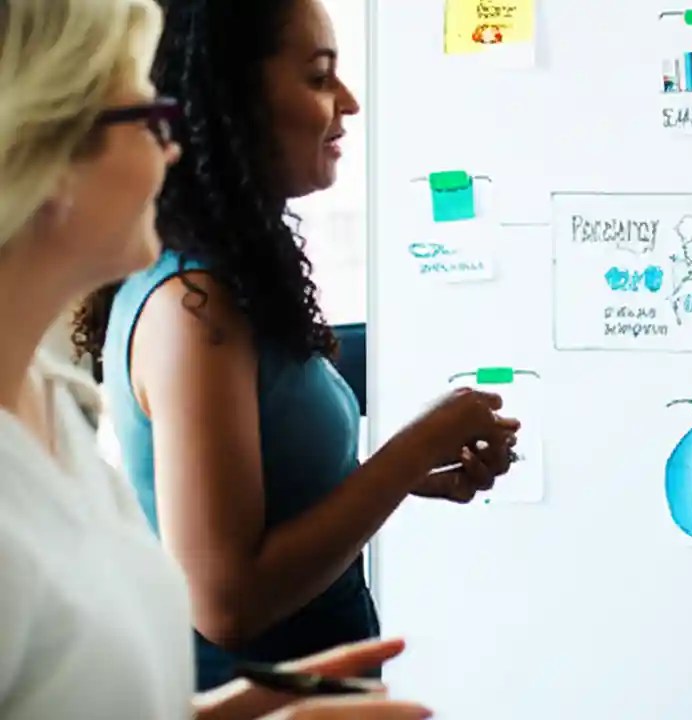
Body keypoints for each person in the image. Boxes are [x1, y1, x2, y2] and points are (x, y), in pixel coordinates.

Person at [72, 0, 521, 692]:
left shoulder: (230, 278)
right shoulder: (194, 306)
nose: (348, 102)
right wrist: (411, 452)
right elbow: (227, 604)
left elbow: (271, 486)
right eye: (318, 77)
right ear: (231, 99)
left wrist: (399, 475)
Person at [0, 0, 432, 716]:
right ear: (48, 149)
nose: (173, 147)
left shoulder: (55, 409)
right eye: (148, 117)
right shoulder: (186, 306)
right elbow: (223, 604)